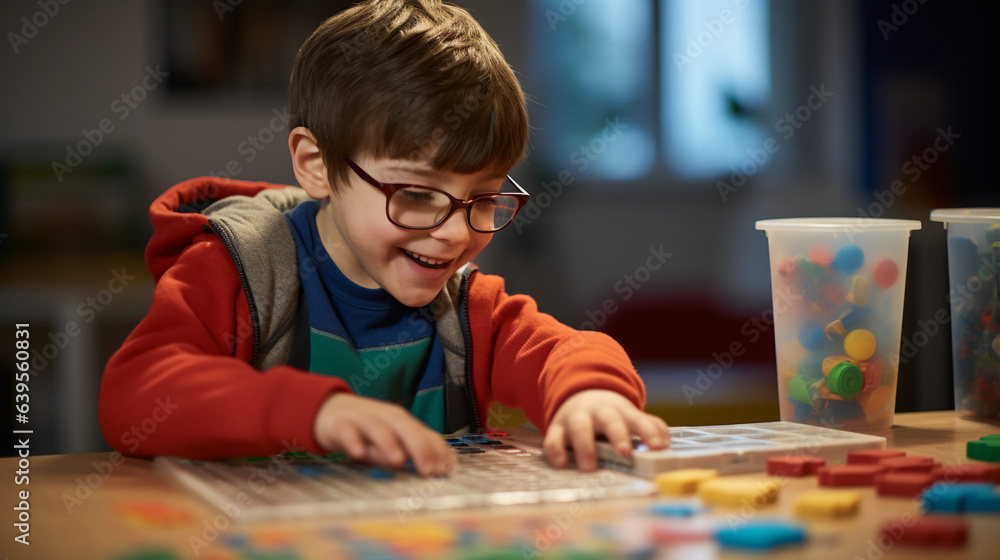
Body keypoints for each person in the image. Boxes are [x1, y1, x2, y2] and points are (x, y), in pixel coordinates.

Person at [98, 0, 669, 476]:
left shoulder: (466, 308)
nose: (451, 235)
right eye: (418, 195)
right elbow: (135, 394)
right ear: (316, 164)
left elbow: (564, 349)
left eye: (483, 200)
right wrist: (316, 413)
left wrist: (589, 394)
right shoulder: (236, 270)